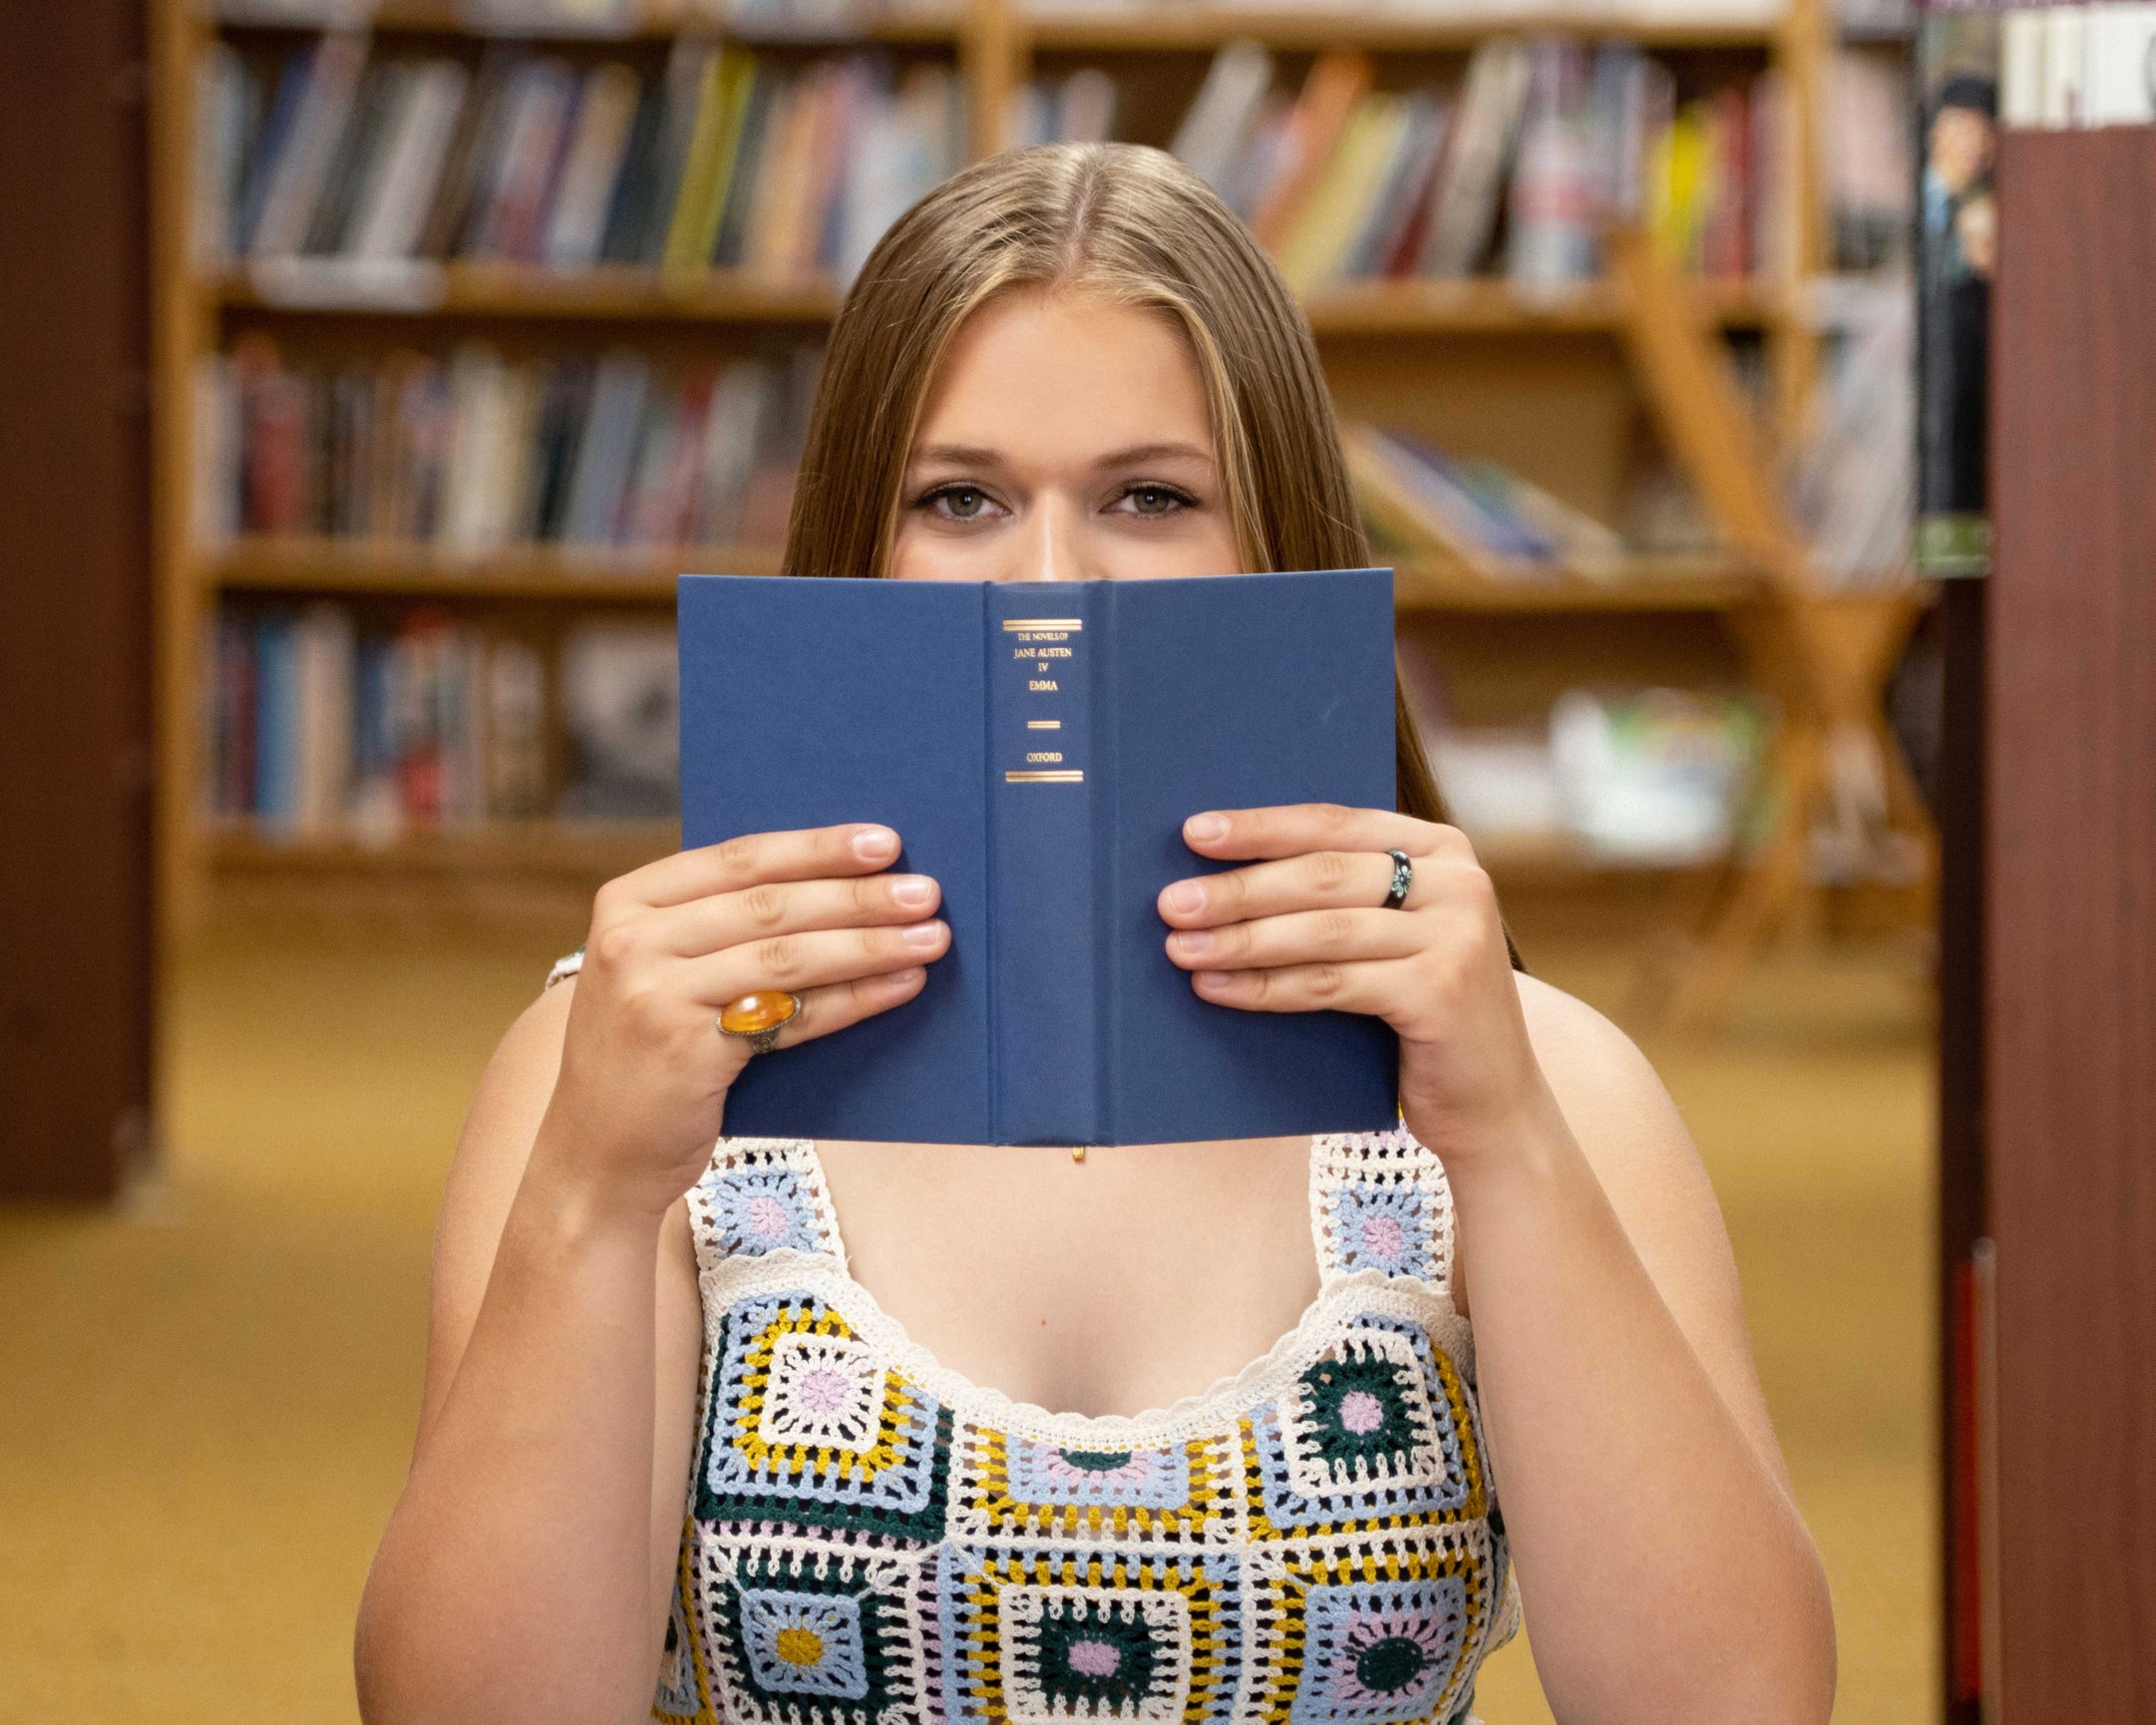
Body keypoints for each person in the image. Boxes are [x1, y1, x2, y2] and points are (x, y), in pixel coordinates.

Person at [355, 144, 1833, 1725]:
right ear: (862, 540)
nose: (1047, 583)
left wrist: (1508, 1140)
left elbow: (1733, 1704)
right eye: (960, 498)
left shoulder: (1544, 1080)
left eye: (1149, 496)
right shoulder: (629, 1062)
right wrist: (591, 1183)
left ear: (1276, 539)